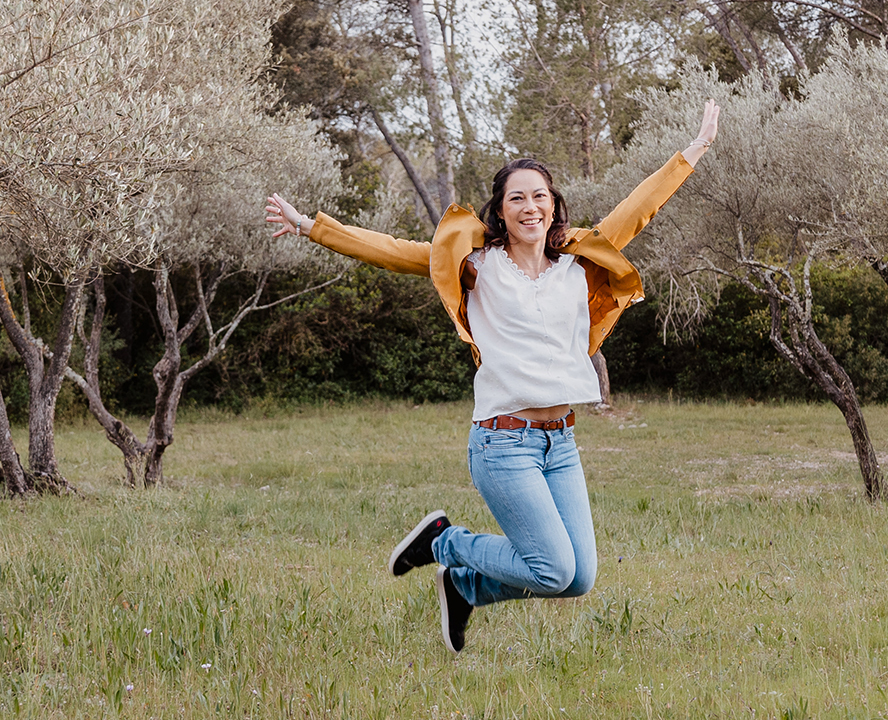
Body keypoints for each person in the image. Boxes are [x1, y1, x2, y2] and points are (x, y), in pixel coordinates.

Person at [263, 102, 719, 654]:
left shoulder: (579, 261)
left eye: (541, 196)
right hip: (504, 442)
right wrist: (312, 227)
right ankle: (446, 541)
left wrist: (693, 151)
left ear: (555, 207)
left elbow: (640, 207)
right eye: (517, 198)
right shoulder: (479, 265)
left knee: (578, 578)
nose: (531, 207)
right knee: (551, 568)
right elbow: (392, 252)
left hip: (562, 442)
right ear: (500, 211)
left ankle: (465, 586)